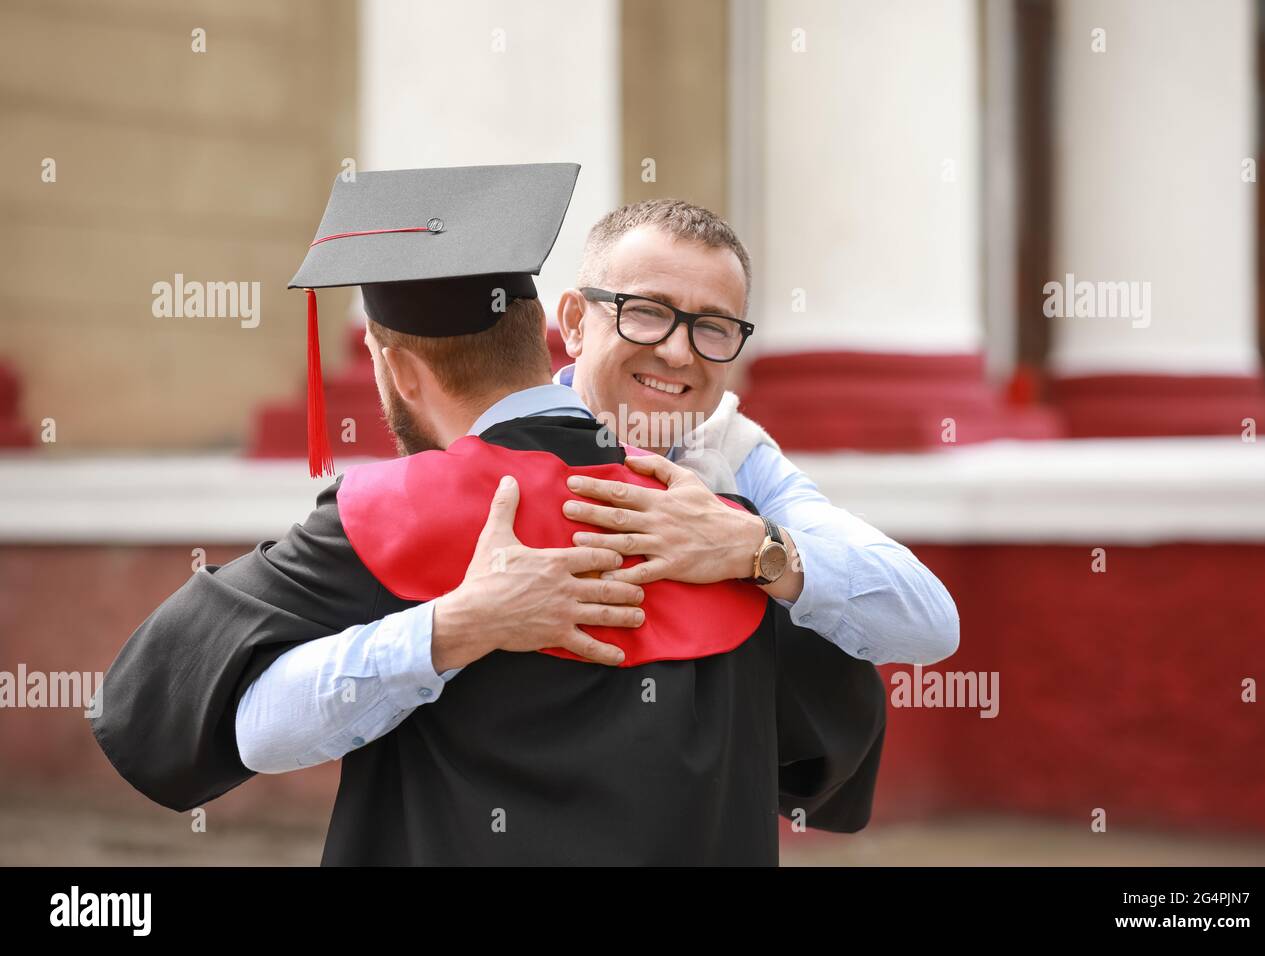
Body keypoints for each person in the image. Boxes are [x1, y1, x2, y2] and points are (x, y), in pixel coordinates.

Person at [90, 163, 885, 865]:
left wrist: (445, 632)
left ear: (399, 371)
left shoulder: (395, 514)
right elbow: (837, 724)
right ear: (549, 336)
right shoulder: (721, 529)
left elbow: (229, 722)